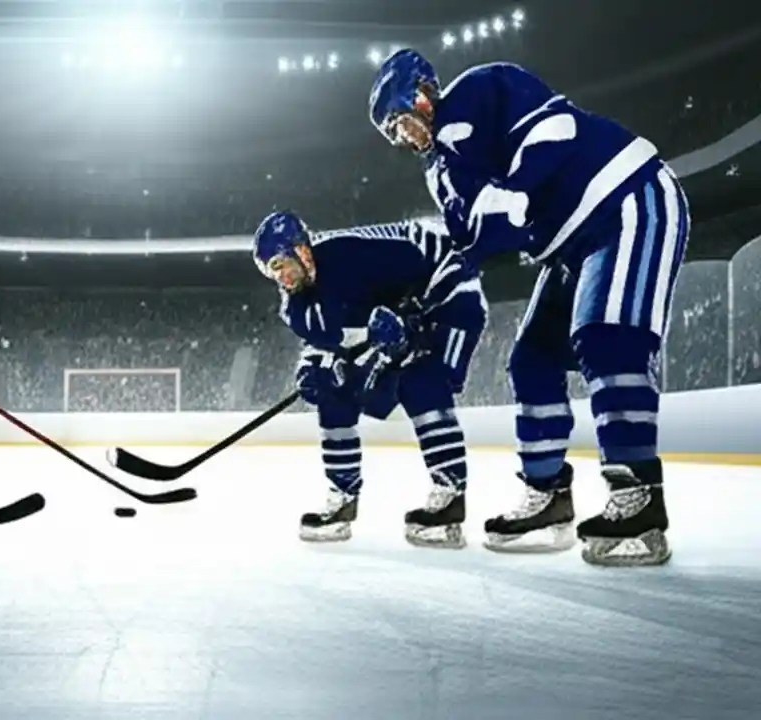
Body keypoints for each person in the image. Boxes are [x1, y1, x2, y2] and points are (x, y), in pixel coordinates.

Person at [369, 50, 689, 566]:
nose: (405, 135)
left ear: (424, 94)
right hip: (568, 247)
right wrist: (420, 307)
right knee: (531, 362)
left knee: (608, 339)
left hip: (623, 197)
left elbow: (557, 130)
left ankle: (639, 499)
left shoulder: (480, 88)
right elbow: (469, 249)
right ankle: (548, 495)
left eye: (403, 119)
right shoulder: (441, 173)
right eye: (394, 132)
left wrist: (514, 193)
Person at [253, 210, 486, 548]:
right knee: (332, 391)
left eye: (281, 264)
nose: (281, 278)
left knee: (421, 378)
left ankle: (450, 496)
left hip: (453, 297)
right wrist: (312, 366)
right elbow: (327, 342)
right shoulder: (295, 308)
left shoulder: (354, 254)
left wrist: (411, 318)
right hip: (392, 326)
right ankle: (343, 497)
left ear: (302, 251)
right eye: (271, 271)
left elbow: (445, 259)